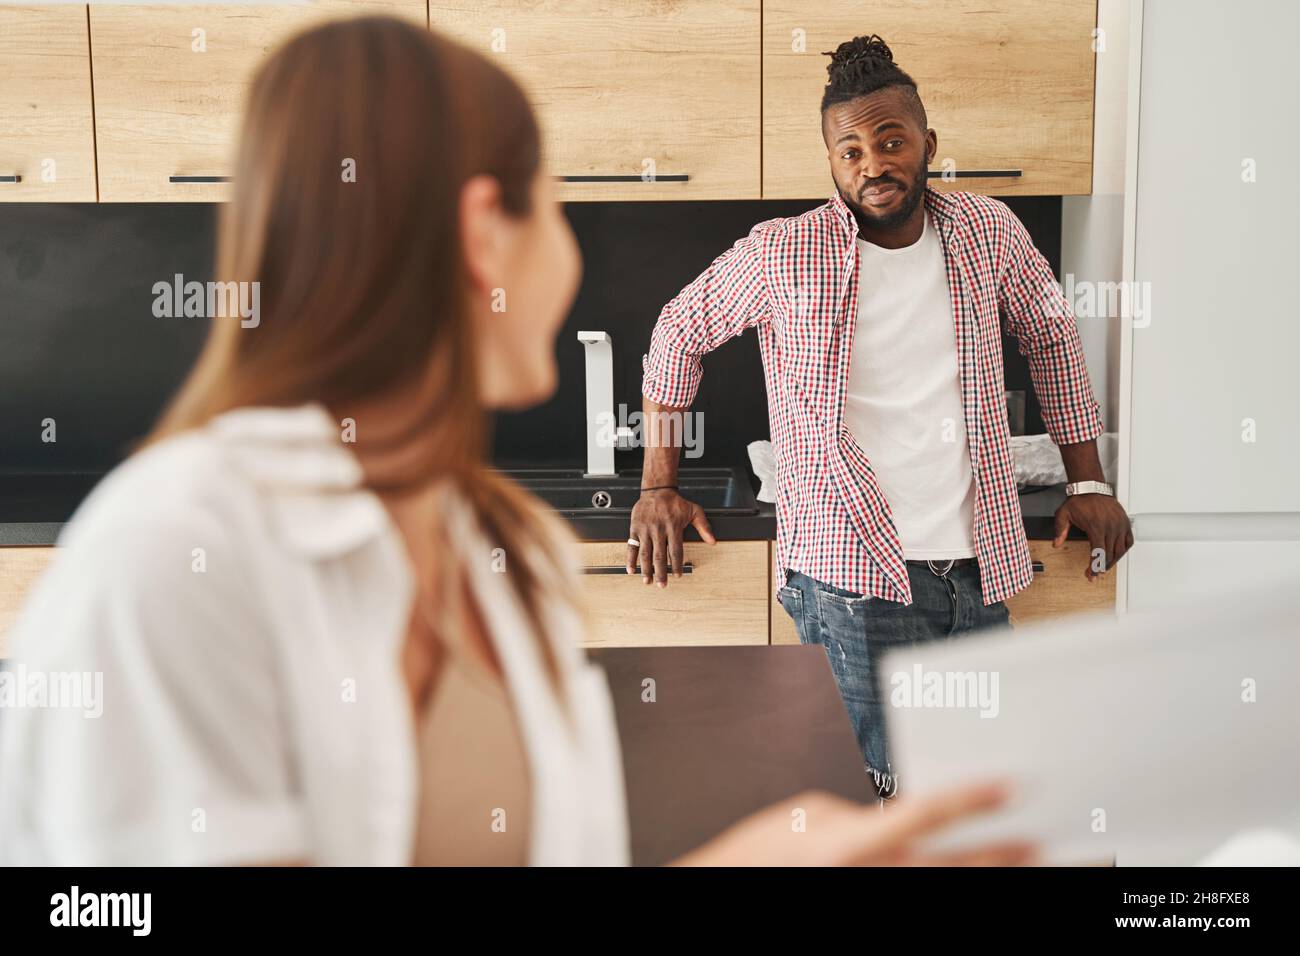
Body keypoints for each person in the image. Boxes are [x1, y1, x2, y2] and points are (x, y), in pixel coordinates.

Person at [0, 18, 1033, 866]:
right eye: (552, 202)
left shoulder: (504, 554)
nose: (571, 244)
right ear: (484, 229)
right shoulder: (171, 554)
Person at [630, 34, 1134, 799]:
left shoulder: (988, 232)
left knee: (974, 799)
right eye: (851, 150)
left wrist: (1089, 483)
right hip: (850, 582)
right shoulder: (783, 253)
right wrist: (655, 485)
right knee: (884, 804)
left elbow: (1054, 338)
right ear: (831, 161)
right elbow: (676, 333)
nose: (873, 164)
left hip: (980, 568)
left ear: (928, 142)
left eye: (890, 140)